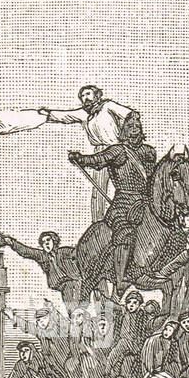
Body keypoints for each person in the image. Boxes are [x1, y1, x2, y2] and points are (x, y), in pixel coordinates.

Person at [69, 110, 156, 292]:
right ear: (124, 131)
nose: (134, 130)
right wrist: (81, 159)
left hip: (146, 202)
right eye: (130, 127)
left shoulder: (149, 152)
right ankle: (120, 277)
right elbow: (98, 160)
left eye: (137, 127)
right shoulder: (117, 151)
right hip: (123, 204)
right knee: (124, 234)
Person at [40, 85, 134, 220]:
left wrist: (127, 137)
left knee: (125, 186)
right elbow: (66, 115)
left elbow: (130, 115)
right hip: (100, 152)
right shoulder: (86, 113)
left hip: (118, 150)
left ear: (97, 95)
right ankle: (99, 222)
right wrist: (48, 114)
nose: (86, 98)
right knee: (99, 189)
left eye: (88, 94)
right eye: (83, 96)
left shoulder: (108, 106)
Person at [0, 231, 84, 307]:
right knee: (73, 310)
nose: (46, 243)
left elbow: (81, 253)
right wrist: (9, 242)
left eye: (48, 240)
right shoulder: (42, 256)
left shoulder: (65, 251)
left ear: (54, 241)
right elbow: (25, 251)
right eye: (43, 242)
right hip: (62, 286)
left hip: (75, 282)